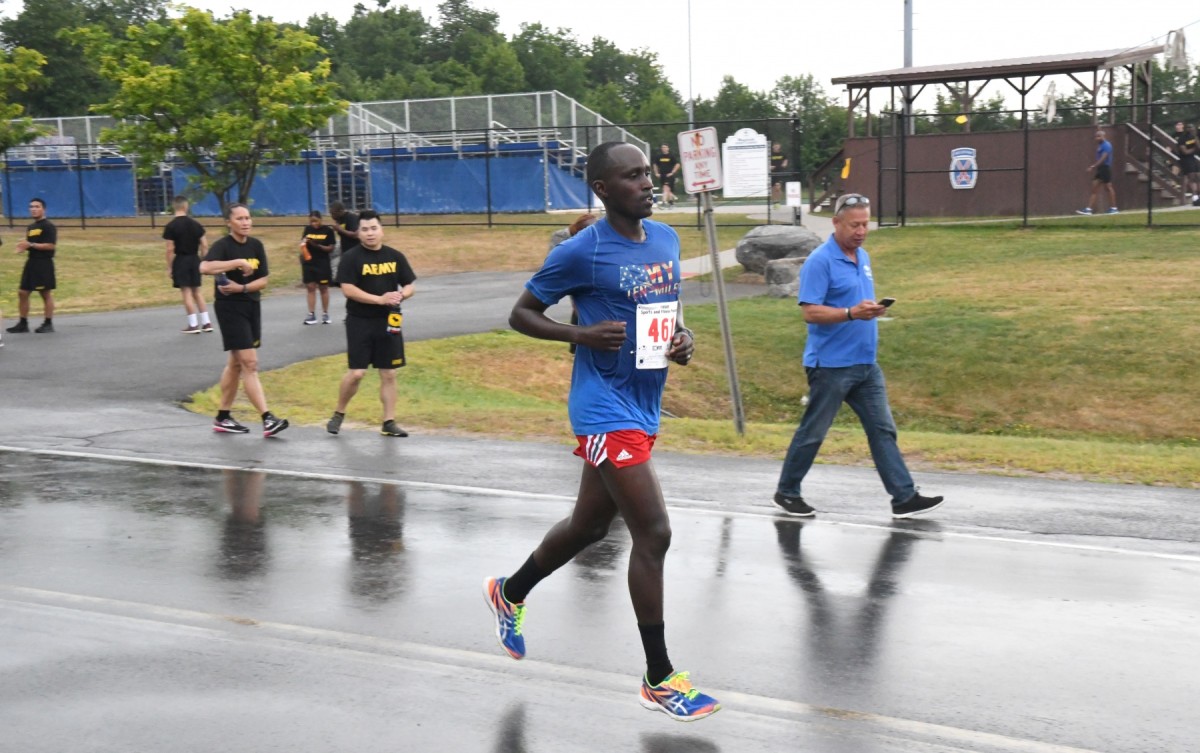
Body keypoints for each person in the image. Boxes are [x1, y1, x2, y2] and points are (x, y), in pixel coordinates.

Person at [483, 142, 719, 722]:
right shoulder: (580, 251)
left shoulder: (666, 239)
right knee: (654, 532)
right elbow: (521, 314)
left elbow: (667, 310)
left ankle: (509, 592)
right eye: (632, 176)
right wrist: (580, 335)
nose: (647, 183)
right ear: (603, 189)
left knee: (589, 527)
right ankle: (659, 677)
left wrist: (682, 339)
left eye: (648, 173)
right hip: (602, 407)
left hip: (644, 402)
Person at [774, 193, 943, 520]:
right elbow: (810, 312)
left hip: (865, 364)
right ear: (836, 223)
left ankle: (903, 497)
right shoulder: (820, 261)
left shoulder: (862, 256)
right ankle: (787, 492)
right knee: (813, 432)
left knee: (883, 429)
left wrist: (871, 310)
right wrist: (851, 313)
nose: (861, 231)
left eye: (866, 224)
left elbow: (856, 305)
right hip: (831, 366)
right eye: (854, 225)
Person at [199, 203, 289, 437]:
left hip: (251, 306)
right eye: (239, 218)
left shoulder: (256, 245)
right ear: (228, 222)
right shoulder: (223, 245)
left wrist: (242, 287)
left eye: (248, 218)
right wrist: (237, 263)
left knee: (236, 364)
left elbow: (264, 280)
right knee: (250, 363)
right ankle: (267, 419)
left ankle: (223, 417)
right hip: (230, 309)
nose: (245, 222)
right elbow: (205, 267)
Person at [325, 209, 416, 438]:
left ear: (381, 230)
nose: (370, 233)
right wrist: (379, 299)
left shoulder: (395, 256)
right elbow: (348, 289)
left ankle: (389, 422)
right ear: (358, 233)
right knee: (357, 373)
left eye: (374, 228)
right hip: (360, 321)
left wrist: (401, 295)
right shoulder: (351, 258)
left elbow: (410, 285)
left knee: (389, 373)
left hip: (389, 321)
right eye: (365, 229)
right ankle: (339, 413)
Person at [162, 196, 212, 334]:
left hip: (181, 260)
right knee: (197, 291)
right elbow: (204, 244)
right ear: (186, 206)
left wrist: (170, 266)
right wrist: (204, 260)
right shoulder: (196, 224)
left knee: (186, 292)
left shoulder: (171, 226)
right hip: (194, 259)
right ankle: (207, 322)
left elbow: (170, 249)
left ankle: (193, 324)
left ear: (174, 207)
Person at [7, 197, 57, 334]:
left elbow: (51, 246)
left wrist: (31, 244)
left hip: (43, 263)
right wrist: (23, 247)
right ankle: (23, 323)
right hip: (31, 263)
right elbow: (31, 244)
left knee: (45, 293)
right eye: (31, 207)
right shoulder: (31, 227)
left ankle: (48, 323)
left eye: (37, 206)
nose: (33, 209)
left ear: (43, 209)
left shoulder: (48, 226)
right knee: (22, 292)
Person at [299, 210, 337, 325]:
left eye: (316, 221)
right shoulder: (307, 229)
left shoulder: (328, 230)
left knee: (323, 288)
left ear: (321, 219)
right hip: (309, 263)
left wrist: (317, 245)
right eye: (311, 221)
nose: (314, 224)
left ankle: (325, 314)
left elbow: (331, 248)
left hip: (322, 263)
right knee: (310, 287)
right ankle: (311, 314)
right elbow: (303, 243)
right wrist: (304, 246)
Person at [1076, 129, 1118, 215]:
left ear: (1104, 136)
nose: (1097, 138)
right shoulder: (1100, 145)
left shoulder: (1107, 145)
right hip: (1100, 169)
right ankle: (1089, 209)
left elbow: (1103, 158)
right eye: (1096, 136)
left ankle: (1114, 208)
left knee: (1108, 187)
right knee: (1094, 188)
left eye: (1099, 136)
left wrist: (1093, 166)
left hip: (1105, 168)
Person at [329, 201, 361, 286]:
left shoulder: (351, 218)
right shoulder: (340, 220)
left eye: (333, 213)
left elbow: (356, 235)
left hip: (355, 250)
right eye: (331, 213)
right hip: (346, 250)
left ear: (340, 211)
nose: (332, 216)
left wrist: (340, 229)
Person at [1173, 121, 1200, 205]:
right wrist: (1194, 149)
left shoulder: (1194, 137)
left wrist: (1196, 139)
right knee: (1191, 177)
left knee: (1198, 176)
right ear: (1186, 129)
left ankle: (1198, 196)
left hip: (1193, 158)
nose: (1191, 129)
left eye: (1192, 127)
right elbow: (1185, 152)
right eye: (1189, 127)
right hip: (1185, 159)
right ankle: (1195, 197)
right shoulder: (1182, 138)